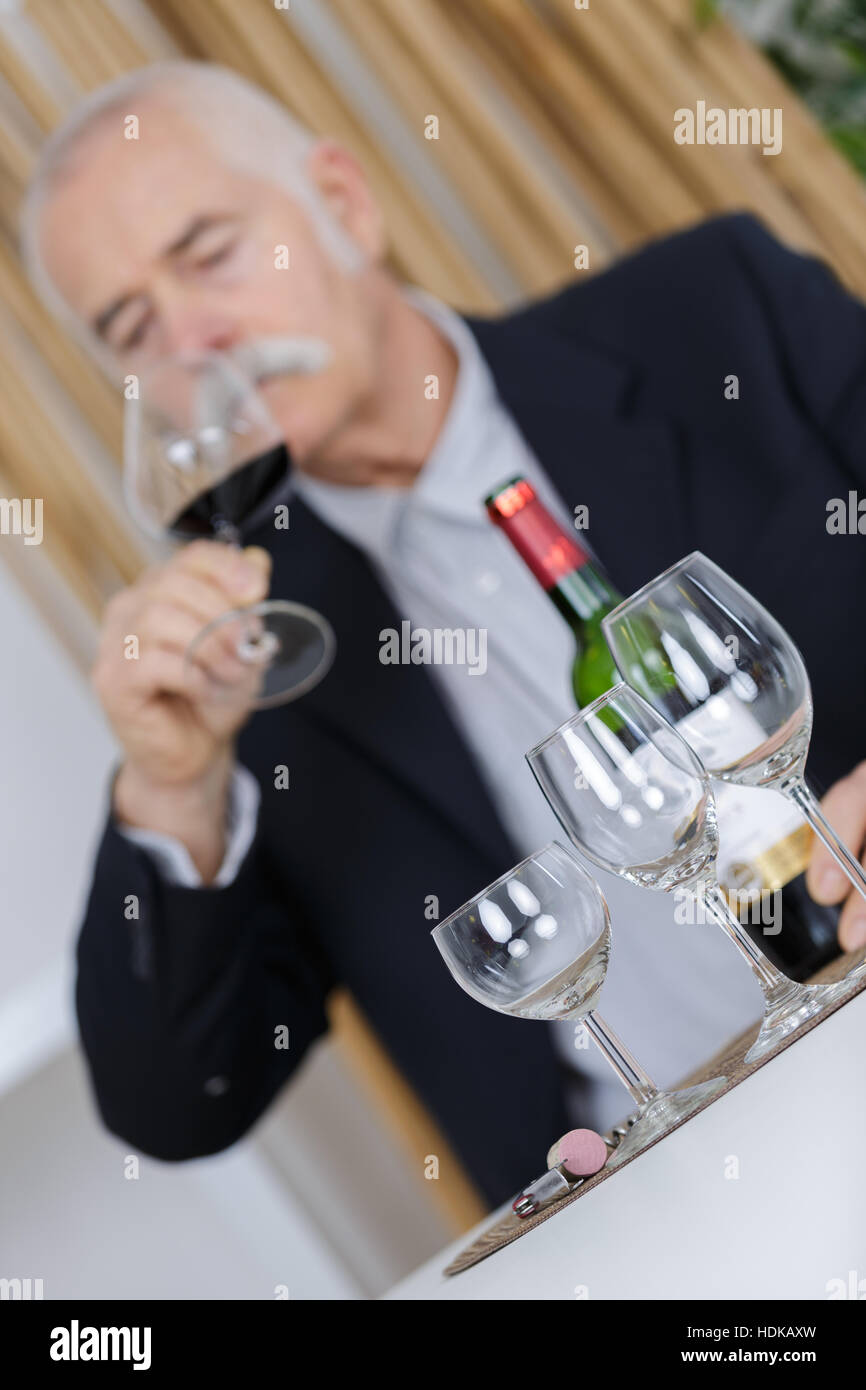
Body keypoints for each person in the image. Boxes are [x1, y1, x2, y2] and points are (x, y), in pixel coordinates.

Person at [22, 61, 866, 1208]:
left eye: (210, 253)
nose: (192, 344)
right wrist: (172, 786)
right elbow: (182, 1101)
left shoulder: (708, 315)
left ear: (344, 202)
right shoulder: (254, 673)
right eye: (131, 328)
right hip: (651, 1223)